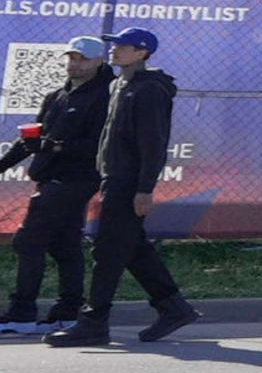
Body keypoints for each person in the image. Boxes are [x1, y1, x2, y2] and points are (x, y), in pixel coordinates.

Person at [50, 28, 198, 347]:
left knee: (108, 250)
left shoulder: (150, 90)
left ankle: (93, 322)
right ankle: (173, 307)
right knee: (130, 246)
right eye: (114, 45)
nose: (115, 50)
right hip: (113, 177)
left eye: (123, 46)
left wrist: (145, 188)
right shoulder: (120, 84)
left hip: (129, 182)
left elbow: (153, 143)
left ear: (142, 53)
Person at [0, 36, 113, 337]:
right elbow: (32, 141)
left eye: (83, 59)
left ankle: (21, 313)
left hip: (76, 179)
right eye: (72, 58)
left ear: (100, 61)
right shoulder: (57, 96)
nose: (75, 64)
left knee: (29, 241)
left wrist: (55, 147)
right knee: (65, 246)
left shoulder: (105, 96)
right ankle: (68, 313)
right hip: (51, 177)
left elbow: (100, 145)